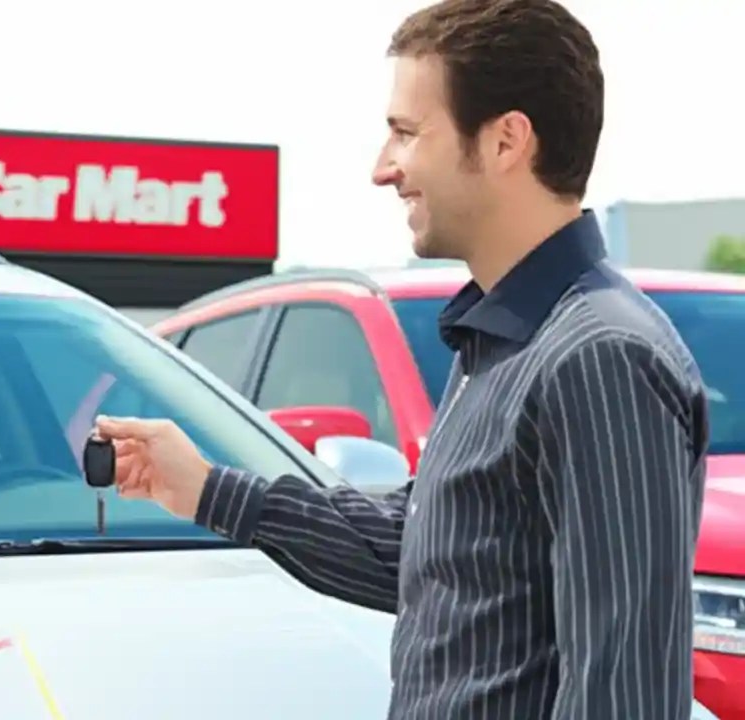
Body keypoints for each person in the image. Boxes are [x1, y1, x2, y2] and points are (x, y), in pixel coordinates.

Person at [94, 1, 709, 718]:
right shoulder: (506, 340)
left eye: (407, 133)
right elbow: (427, 557)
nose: (383, 168)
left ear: (506, 141)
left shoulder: (597, 356)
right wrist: (206, 488)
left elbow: (624, 694)